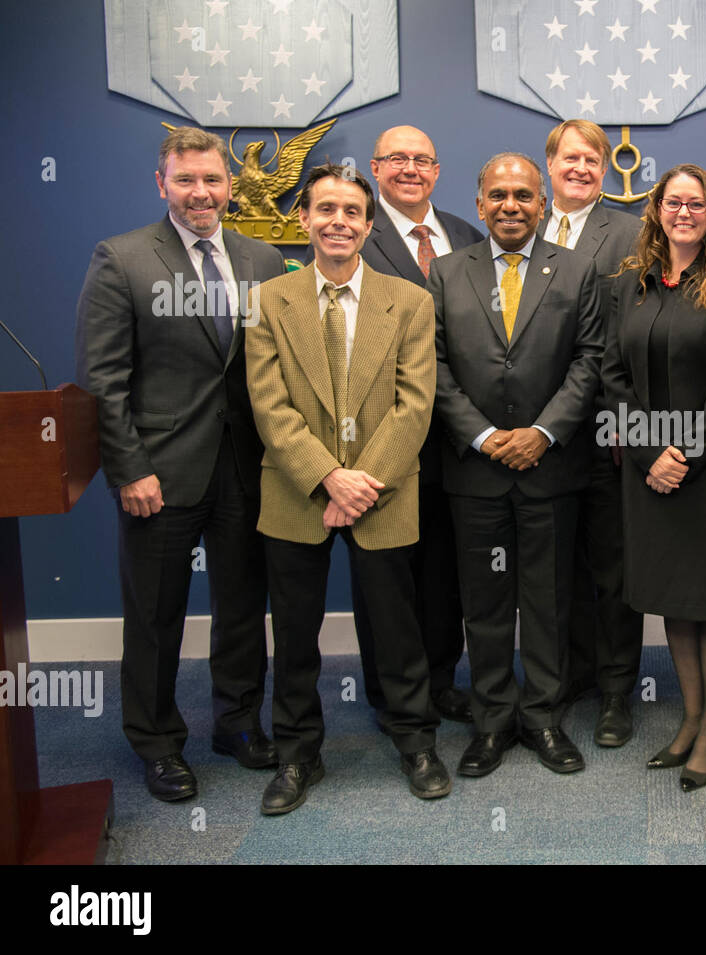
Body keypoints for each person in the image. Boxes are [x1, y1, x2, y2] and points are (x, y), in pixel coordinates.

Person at [75, 126, 283, 801]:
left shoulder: (262, 258)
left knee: (243, 605)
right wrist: (128, 468)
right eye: (187, 179)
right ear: (161, 183)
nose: (202, 192)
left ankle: (237, 722)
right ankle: (158, 741)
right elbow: (102, 378)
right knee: (157, 612)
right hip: (158, 472)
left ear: (231, 184)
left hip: (247, 467)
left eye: (213, 179)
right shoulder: (124, 258)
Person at [245, 164, 447, 814]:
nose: (338, 220)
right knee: (296, 634)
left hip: (383, 490)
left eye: (352, 211)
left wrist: (363, 482)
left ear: (368, 223)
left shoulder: (410, 301)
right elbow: (269, 404)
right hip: (297, 489)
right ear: (302, 219)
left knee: (396, 628)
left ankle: (415, 739)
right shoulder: (270, 301)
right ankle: (298, 752)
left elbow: (415, 404)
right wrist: (328, 475)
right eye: (325, 208)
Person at [429, 153, 603, 778]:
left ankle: (544, 717)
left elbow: (590, 360)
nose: (511, 205)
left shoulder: (578, 271)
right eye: (498, 195)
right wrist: (479, 435)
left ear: (542, 204)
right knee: (485, 603)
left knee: (551, 600)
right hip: (474, 472)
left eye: (524, 196)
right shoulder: (445, 272)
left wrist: (543, 432)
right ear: (480, 205)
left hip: (550, 469)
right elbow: (434, 366)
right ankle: (493, 720)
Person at [603, 163, 706, 791]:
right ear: (657, 211)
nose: (684, 213)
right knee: (673, 596)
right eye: (674, 203)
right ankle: (691, 717)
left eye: (697, 204)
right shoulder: (630, 285)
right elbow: (611, 378)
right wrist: (652, 456)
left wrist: (685, 454)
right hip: (650, 475)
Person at [346, 125, 483, 726]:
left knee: (444, 573)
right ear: (375, 168)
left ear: (436, 169)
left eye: (421, 159)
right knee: (385, 575)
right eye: (396, 158)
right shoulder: (353, 234)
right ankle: (388, 693)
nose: (409, 168)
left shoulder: (467, 234)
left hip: (456, 439)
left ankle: (440, 679)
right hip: (384, 437)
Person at [538, 119, 644, 747]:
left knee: (612, 570)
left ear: (604, 170)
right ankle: (570, 676)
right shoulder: (522, 228)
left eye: (592, 160)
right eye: (569, 158)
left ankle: (615, 692)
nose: (580, 168)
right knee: (556, 570)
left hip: (606, 433)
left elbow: (632, 332)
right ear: (548, 164)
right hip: (539, 439)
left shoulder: (630, 233)